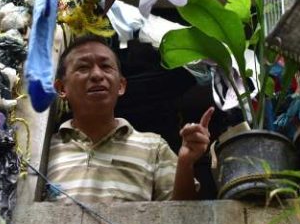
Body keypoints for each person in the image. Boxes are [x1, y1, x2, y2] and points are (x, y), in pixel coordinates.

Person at [47, 35, 213, 202]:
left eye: (105, 66)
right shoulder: (45, 152)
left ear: (121, 85)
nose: (97, 75)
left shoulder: (153, 147)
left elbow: (180, 215)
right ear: (61, 88)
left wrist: (185, 162)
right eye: (83, 68)